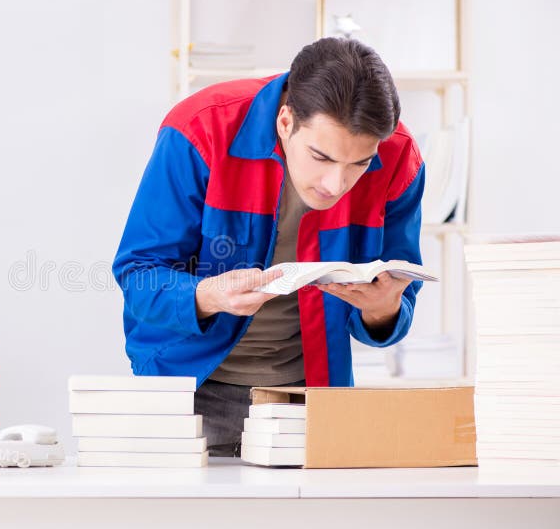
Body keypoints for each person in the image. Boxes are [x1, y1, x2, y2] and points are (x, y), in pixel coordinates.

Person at [112, 37, 425, 456]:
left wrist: (381, 308)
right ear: (285, 121)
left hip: (312, 397)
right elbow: (138, 275)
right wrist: (206, 295)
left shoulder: (400, 156)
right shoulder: (199, 130)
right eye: (321, 156)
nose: (336, 185)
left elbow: (395, 314)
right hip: (189, 392)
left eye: (359, 164)